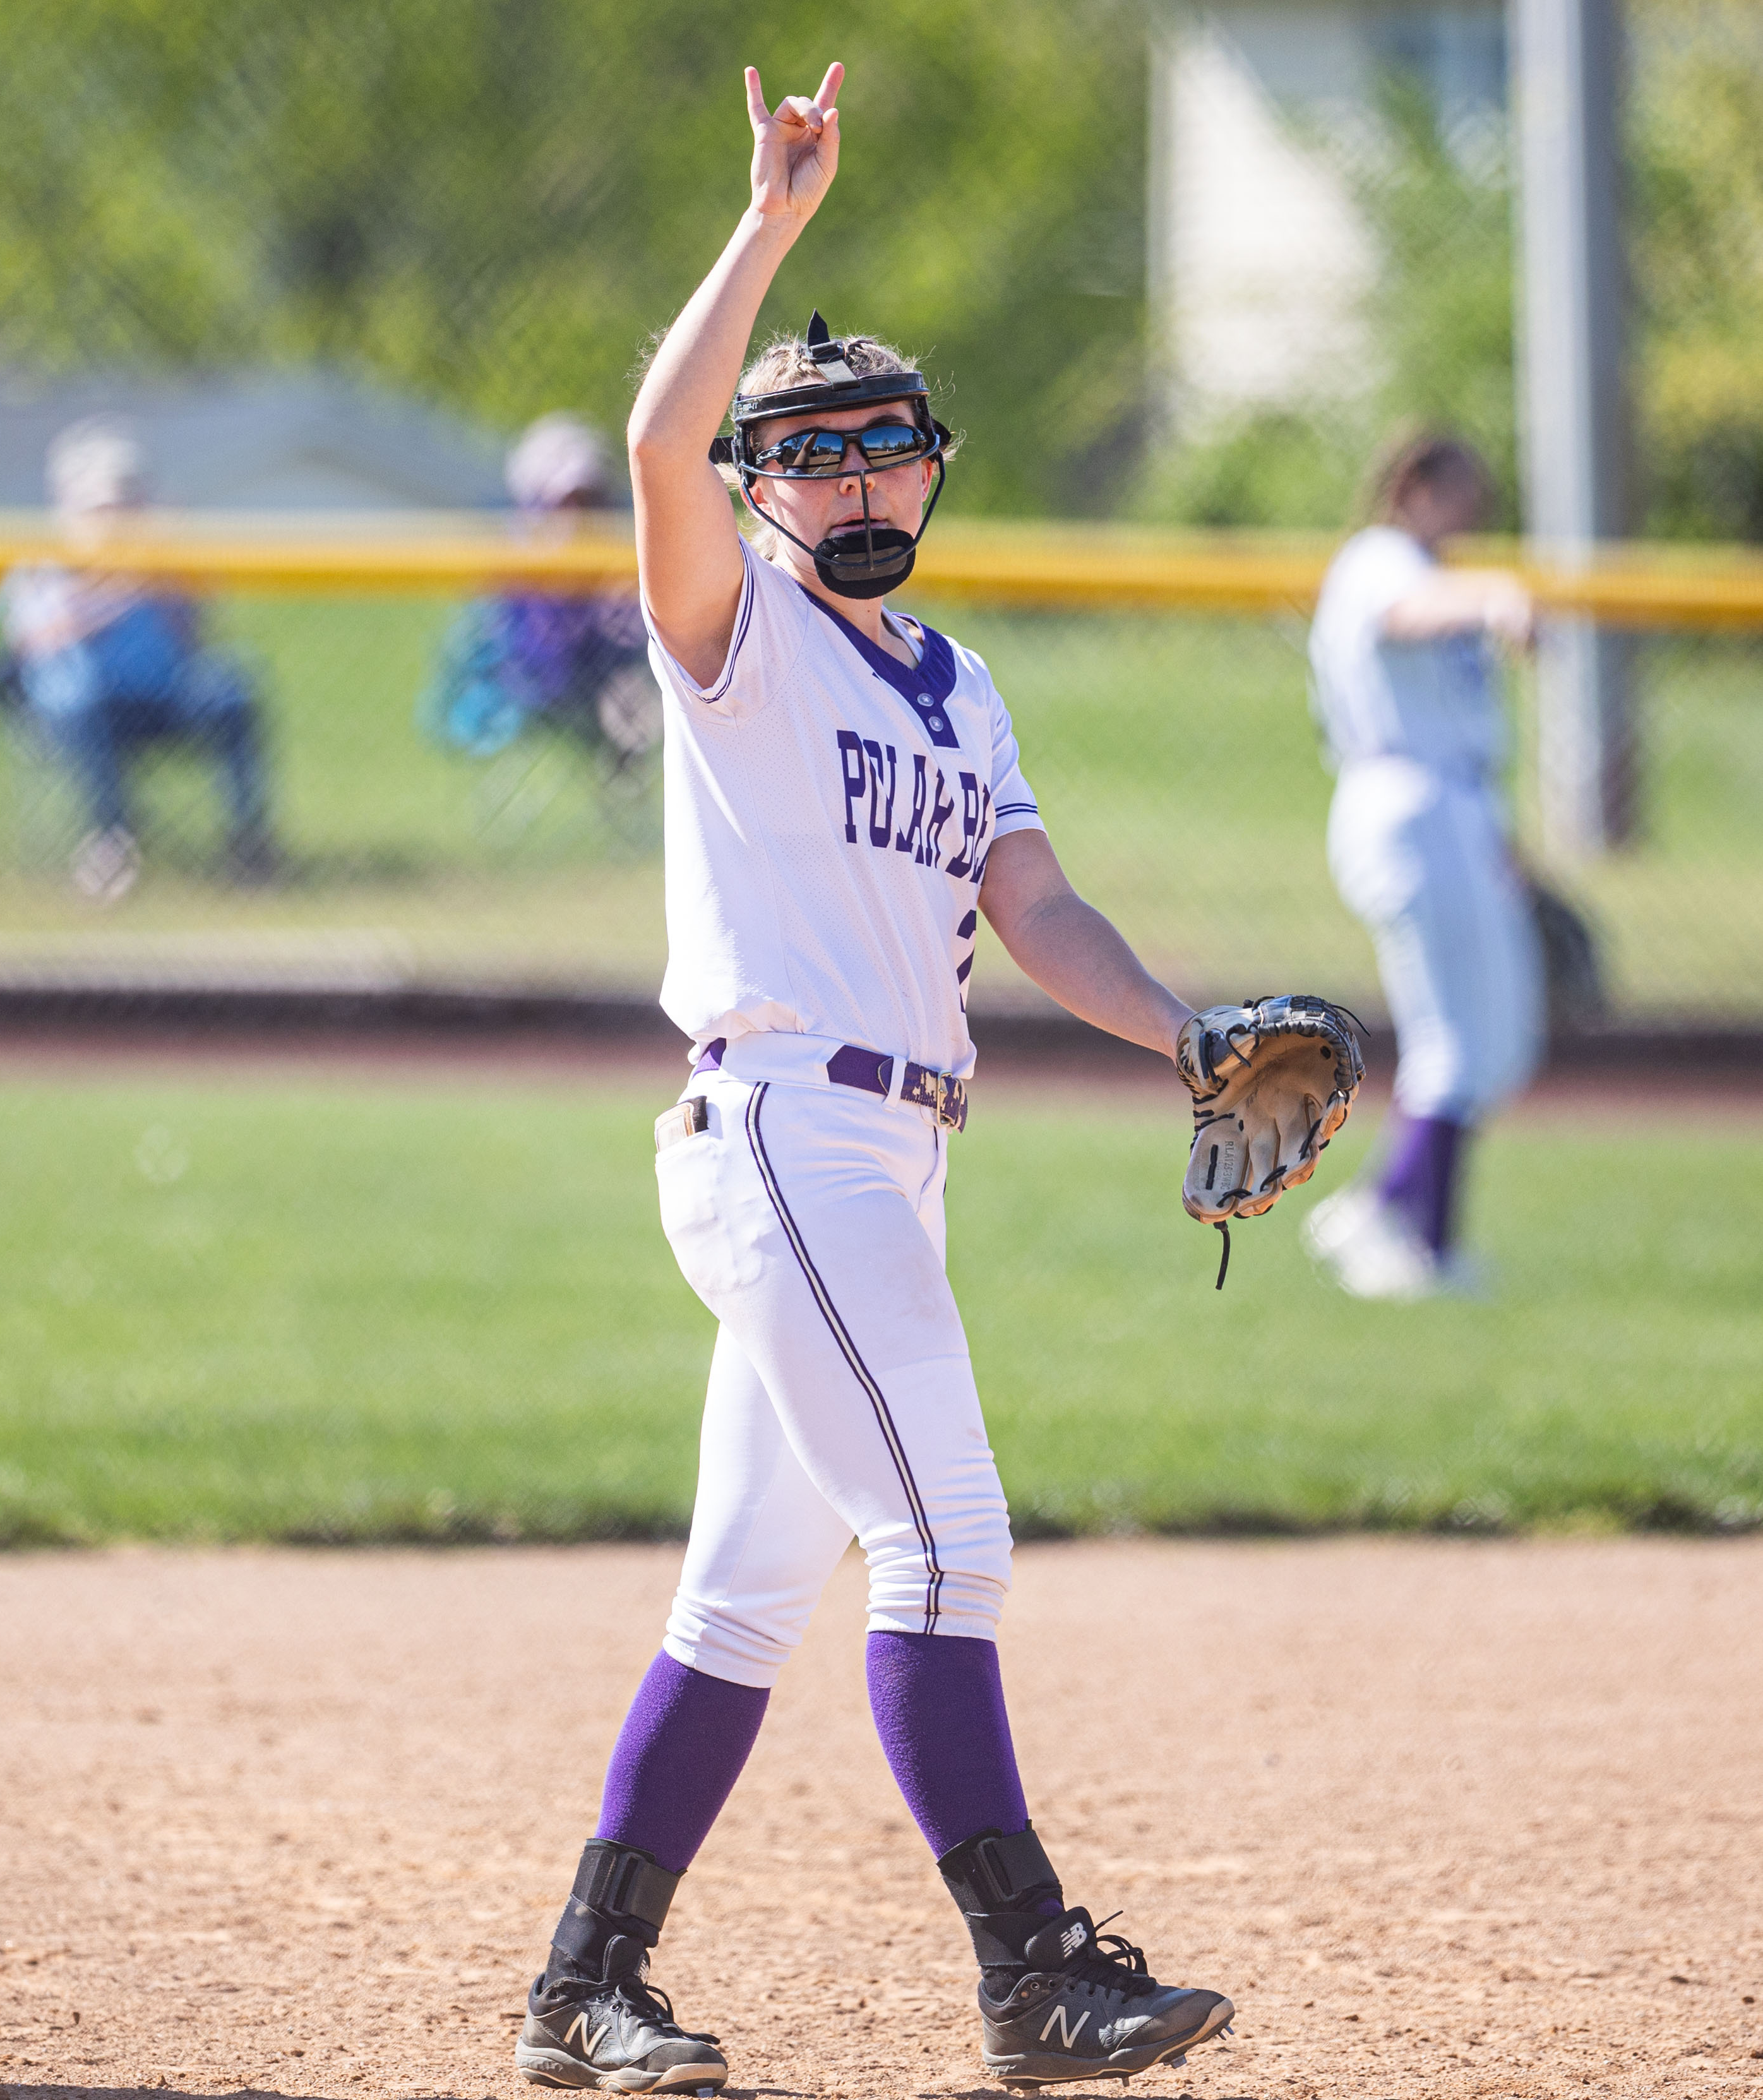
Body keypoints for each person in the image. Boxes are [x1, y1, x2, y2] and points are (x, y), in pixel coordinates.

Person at [510, 61, 1241, 2094]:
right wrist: (770, 226)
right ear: (758, 491)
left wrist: (1181, 1025)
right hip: (777, 1124)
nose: (846, 483)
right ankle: (1032, 1967)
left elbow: (1035, 903)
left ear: (930, 468)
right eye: (804, 455)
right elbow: (660, 439)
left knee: (745, 1592)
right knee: (944, 1540)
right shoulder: (733, 631)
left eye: (879, 447)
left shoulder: (963, 687)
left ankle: (583, 1980)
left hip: (895, 1152)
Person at [1300, 434, 1542, 1299]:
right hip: (1402, 802)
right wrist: (1494, 594)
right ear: (1414, 486)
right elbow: (1404, 612)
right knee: (1452, 1037)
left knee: (1499, 1040)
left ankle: (1391, 1208)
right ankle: (1414, 1238)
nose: (1471, 512)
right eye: (1460, 492)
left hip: (1459, 810)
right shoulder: (1380, 559)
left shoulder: (1434, 571)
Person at [0, 418, 276, 901]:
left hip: (161, 701)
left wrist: (163, 573)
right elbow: (33, 642)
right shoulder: (45, 564)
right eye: (104, 508)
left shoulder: (161, 562)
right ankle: (110, 841)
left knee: (232, 690)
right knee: (76, 695)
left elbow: (197, 636)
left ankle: (249, 842)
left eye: (128, 504)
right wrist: (110, 590)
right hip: (80, 715)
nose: (116, 518)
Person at [421, 413, 656, 766]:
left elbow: (636, 659)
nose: (578, 517)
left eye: (589, 502)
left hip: (600, 691)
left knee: (639, 713)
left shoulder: (620, 564)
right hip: (521, 693)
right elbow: (467, 679)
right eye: (564, 504)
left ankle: (626, 800)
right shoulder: (507, 576)